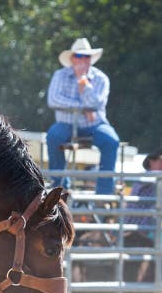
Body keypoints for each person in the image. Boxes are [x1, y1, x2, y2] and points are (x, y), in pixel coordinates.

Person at [46, 37, 120, 196]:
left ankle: (105, 192)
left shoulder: (101, 78)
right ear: (72, 59)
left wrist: (83, 85)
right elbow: (53, 100)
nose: (83, 60)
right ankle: (59, 187)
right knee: (53, 136)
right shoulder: (60, 75)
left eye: (87, 57)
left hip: (95, 125)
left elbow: (96, 104)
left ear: (91, 59)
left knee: (111, 141)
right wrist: (83, 108)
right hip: (65, 124)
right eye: (79, 56)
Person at [125, 147, 162, 234]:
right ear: (151, 162)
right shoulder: (146, 178)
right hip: (133, 231)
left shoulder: (156, 182)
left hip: (136, 231)